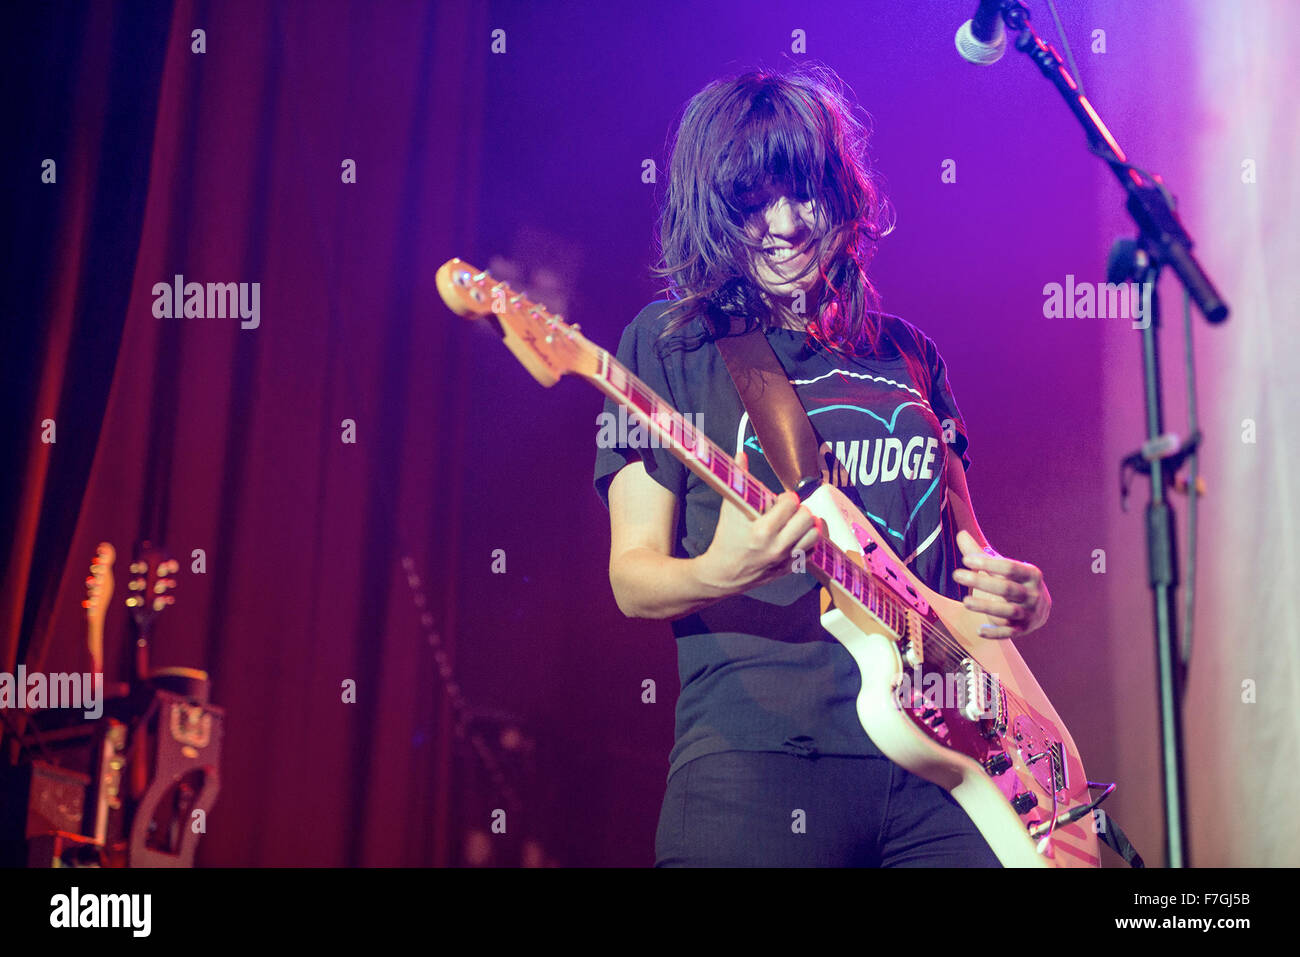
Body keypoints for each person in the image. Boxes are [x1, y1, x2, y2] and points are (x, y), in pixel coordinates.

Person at [593, 67, 1051, 867]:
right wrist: (720, 569)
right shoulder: (672, 345)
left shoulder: (908, 354)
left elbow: (968, 556)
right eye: (753, 201)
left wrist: (1021, 594)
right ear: (714, 211)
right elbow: (632, 576)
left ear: (845, 194)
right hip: (762, 759)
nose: (787, 224)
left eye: (805, 192)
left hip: (948, 765)